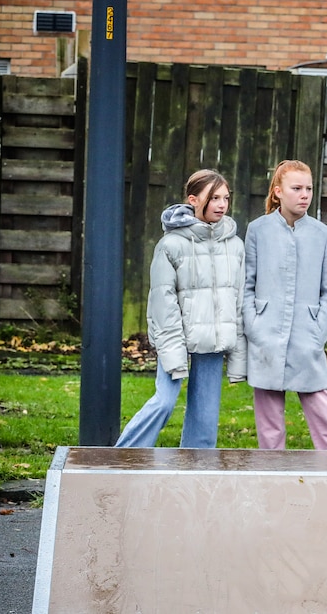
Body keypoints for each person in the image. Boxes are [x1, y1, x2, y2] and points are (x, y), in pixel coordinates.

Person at [116, 169, 246, 448]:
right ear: (193, 200)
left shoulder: (235, 245)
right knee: (164, 402)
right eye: (214, 198)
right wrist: (174, 354)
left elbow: (237, 300)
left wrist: (236, 350)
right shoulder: (171, 245)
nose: (222, 204)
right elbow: (163, 304)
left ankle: (195, 474)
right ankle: (123, 457)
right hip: (176, 336)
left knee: (205, 416)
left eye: (226, 198)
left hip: (213, 341)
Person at [243, 159, 327, 451]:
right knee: (269, 427)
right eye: (296, 188)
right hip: (266, 334)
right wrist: (255, 326)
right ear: (278, 192)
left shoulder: (322, 234)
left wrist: (318, 333)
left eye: (309, 188)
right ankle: (273, 478)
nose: (304, 195)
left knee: (325, 419)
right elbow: (247, 284)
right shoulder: (257, 230)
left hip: (307, 336)